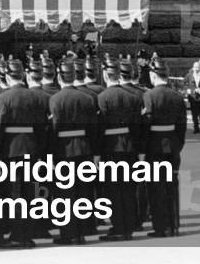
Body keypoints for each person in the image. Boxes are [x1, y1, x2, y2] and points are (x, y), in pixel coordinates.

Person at [0, 57, 49, 248]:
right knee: (30, 192)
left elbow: (0, 128)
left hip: (11, 150)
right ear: (23, 75)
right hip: (32, 148)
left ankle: (16, 233)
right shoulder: (35, 96)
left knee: (13, 194)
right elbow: (42, 127)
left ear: (8, 77)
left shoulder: (3, 98)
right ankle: (27, 233)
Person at [47, 57, 98, 245]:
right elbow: (93, 128)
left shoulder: (55, 99)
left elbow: (53, 129)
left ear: (60, 78)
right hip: (84, 149)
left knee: (65, 194)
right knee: (82, 191)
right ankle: (82, 231)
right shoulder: (87, 98)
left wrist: (50, 154)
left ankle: (69, 233)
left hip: (63, 150)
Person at [97, 57, 143, 241]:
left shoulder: (102, 98)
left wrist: (98, 152)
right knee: (129, 188)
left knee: (114, 189)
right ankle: (129, 226)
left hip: (111, 147)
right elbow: (138, 126)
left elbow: (99, 128)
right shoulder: (132, 97)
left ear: (106, 76)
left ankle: (118, 227)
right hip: (129, 146)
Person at [142, 57, 186, 238]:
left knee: (156, 188)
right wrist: (177, 144)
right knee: (172, 187)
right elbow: (182, 126)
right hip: (172, 146)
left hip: (155, 146)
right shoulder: (176, 96)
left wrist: (144, 147)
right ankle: (174, 225)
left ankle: (161, 226)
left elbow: (146, 125)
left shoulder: (149, 96)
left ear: (153, 75)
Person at [185, 58, 200, 134]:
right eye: (195, 67)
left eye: (198, 67)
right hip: (193, 97)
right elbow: (184, 83)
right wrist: (188, 89)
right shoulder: (189, 75)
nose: (197, 69)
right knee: (194, 114)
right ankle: (196, 128)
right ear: (193, 68)